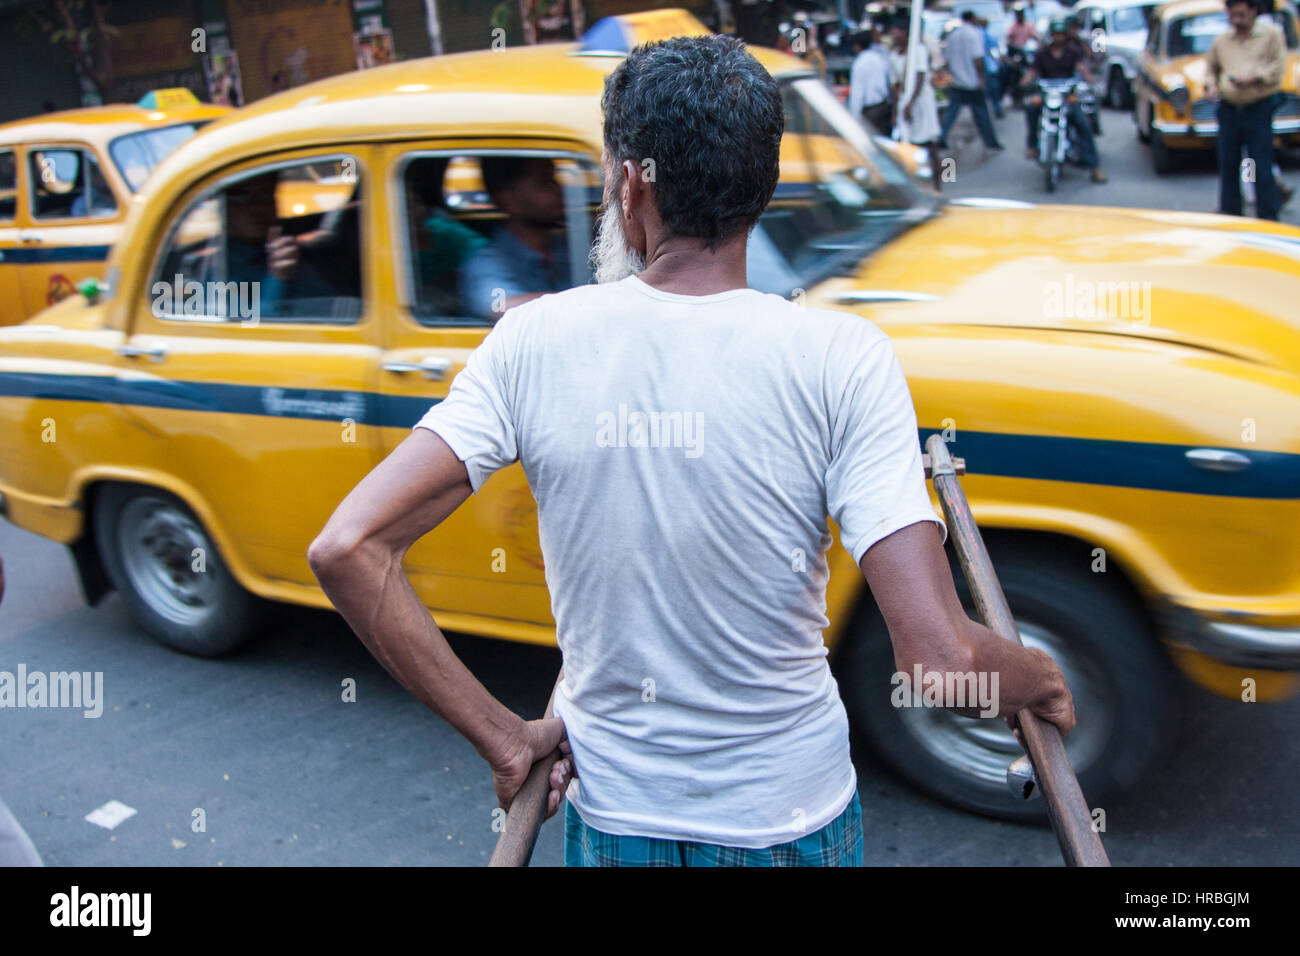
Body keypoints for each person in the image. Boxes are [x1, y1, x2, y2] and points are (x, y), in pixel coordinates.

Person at [308, 34, 1075, 868]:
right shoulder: (843, 358)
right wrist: (1038, 678)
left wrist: (501, 737)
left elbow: (349, 547)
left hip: (617, 823)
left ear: (633, 183)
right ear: (765, 188)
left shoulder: (530, 341)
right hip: (792, 822)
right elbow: (942, 661)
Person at [458, 156, 572, 320]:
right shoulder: (485, 264)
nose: (558, 189)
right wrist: (586, 301)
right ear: (509, 200)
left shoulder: (564, 248)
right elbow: (502, 307)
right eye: (544, 182)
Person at [1205, 0, 1287, 220]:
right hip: (1229, 109)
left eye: (1241, 15)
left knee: (1261, 164)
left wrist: (1254, 78)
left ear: (1253, 12)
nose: (1237, 21)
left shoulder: (1271, 35)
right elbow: (1211, 69)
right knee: (1228, 162)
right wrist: (1212, 85)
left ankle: (1267, 216)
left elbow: (1278, 67)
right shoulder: (1222, 41)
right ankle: (1231, 213)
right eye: (1233, 16)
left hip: (1258, 108)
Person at [1022, 19, 1108, 182]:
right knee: (1031, 109)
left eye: (1061, 35)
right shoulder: (1042, 54)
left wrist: (1089, 79)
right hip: (1047, 94)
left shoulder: (1073, 51)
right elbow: (1032, 71)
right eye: (1056, 35)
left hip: (1067, 96)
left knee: (1082, 124)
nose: (1058, 38)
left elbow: (1081, 68)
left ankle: (1095, 167)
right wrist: (1026, 80)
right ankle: (1032, 145)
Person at [888, 15, 943, 189]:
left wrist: (910, 104)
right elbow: (896, 86)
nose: (894, 36)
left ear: (905, 33)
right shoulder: (894, 56)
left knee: (929, 143)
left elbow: (920, 78)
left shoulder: (917, 50)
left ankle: (937, 184)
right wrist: (897, 111)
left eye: (897, 32)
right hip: (906, 104)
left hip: (921, 102)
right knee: (909, 146)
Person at [937, 10, 1004, 150]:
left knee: (951, 113)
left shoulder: (953, 35)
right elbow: (978, 59)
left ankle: (941, 138)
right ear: (972, 18)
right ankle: (990, 142)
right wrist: (981, 79)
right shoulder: (973, 34)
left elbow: (947, 59)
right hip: (971, 82)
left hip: (958, 81)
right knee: (981, 114)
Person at [848, 29, 894, 135]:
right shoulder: (880, 58)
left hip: (871, 112)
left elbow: (857, 94)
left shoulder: (860, 64)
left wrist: (853, 118)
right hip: (884, 106)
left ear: (856, 46)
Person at [978, 16, 1005, 119]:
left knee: (987, 91)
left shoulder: (979, 33)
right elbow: (994, 49)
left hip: (986, 66)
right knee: (992, 90)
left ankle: (988, 111)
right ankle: (995, 109)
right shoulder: (984, 34)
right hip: (987, 67)